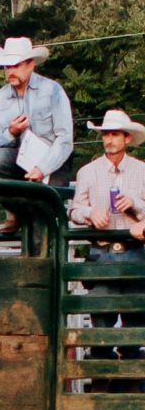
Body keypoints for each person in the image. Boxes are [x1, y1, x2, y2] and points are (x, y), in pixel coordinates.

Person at [69, 110, 145, 392]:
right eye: (106, 134)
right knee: (100, 324)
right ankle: (100, 388)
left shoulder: (142, 171)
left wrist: (136, 205)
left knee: (134, 330)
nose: (110, 140)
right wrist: (90, 213)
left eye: (115, 134)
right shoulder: (87, 173)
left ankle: (129, 391)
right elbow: (74, 210)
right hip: (102, 255)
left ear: (127, 138)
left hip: (135, 254)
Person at [0, 37, 74, 185]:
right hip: (17, 162)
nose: (10, 71)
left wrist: (42, 168)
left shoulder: (52, 91)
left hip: (52, 162)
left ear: (31, 64)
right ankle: (14, 203)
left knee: (47, 201)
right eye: (7, 67)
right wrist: (10, 133)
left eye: (16, 65)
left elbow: (64, 139)